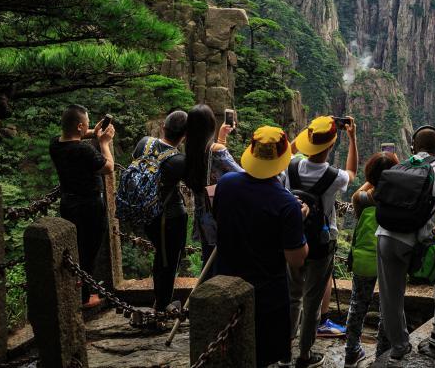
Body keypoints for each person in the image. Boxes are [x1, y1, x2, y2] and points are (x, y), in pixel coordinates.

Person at [214, 126, 309, 367]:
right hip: (266, 297)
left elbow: (221, 220)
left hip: (226, 285)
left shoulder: (225, 183)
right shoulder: (287, 205)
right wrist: (300, 220)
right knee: (262, 358)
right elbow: (296, 259)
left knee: (230, 355)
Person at [377, 126, 435, 365]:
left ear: (413, 147)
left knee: (390, 296)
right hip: (415, 241)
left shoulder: (400, 166)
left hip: (384, 235)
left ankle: (399, 347)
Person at [285, 115, 357, 368]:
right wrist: (352, 137)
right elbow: (352, 172)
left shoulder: (290, 166)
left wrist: (307, 135)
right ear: (330, 147)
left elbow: (286, 152)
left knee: (292, 296)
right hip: (321, 243)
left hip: (293, 238)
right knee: (312, 300)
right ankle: (305, 355)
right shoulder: (334, 176)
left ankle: (285, 352)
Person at [50, 104, 115, 308]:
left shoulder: (55, 145)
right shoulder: (84, 150)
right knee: (88, 250)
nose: (87, 127)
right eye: (85, 125)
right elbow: (108, 168)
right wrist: (103, 142)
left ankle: (79, 291)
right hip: (90, 206)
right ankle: (84, 297)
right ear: (79, 126)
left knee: (74, 248)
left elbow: (74, 136)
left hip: (69, 203)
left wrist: (93, 132)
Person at [342, 152, 397, 368]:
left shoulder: (361, 199)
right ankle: (383, 354)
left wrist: (373, 179)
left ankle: (351, 351)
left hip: (364, 260)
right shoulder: (397, 200)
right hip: (389, 260)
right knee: (388, 307)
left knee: (357, 304)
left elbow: (359, 192)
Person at [131, 110, 189, 312]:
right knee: (168, 261)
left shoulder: (144, 142)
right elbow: (196, 182)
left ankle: (161, 300)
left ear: (163, 127)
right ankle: (163, 305)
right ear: (185, 136)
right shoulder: (179, 161)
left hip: (144, 212)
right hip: (169, 217)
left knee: (161, 256)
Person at [183, 104, 240, 274]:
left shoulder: (191, 150)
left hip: (203, 217)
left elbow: (212, 165)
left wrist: (221, 137)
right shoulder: (216, 150)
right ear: (211, 124)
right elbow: (241, 175)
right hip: (220, 216)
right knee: (225, 265)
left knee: (210, 261)